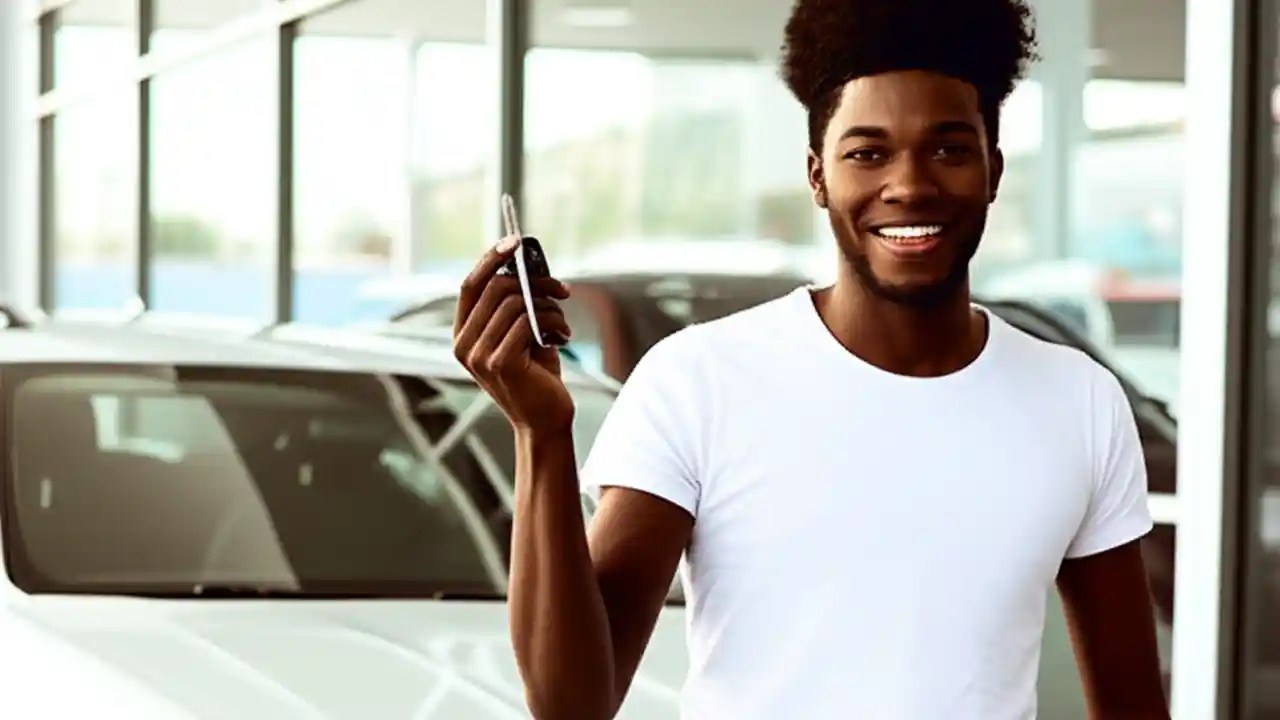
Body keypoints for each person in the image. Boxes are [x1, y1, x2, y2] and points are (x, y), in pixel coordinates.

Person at [451, 0, 1170, 717]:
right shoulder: (698, 382)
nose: (910, 184)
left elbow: (1134, 705)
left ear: (993, 170)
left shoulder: (1078, 401)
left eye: (949, 149)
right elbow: (571, 704)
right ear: (818, 175)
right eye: (868, 152)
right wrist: (540, 435)